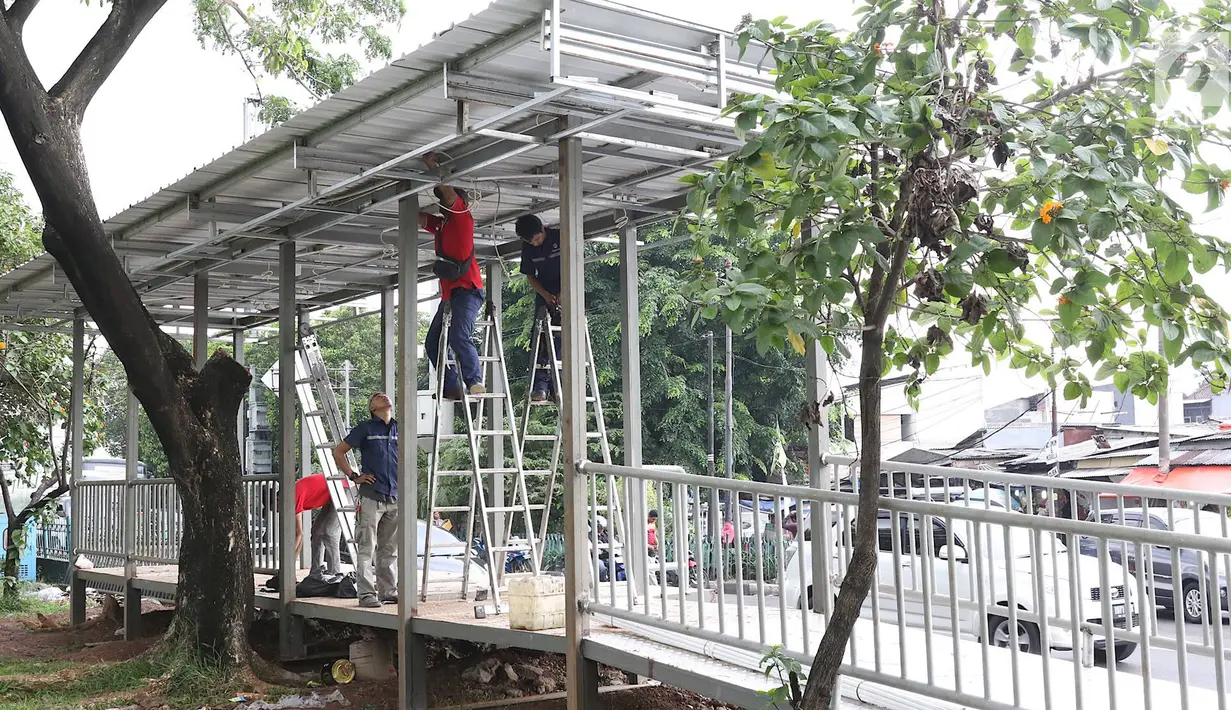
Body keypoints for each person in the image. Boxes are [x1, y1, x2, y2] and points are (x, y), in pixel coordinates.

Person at [420, 152, 485, 401]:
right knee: (433, 341)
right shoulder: (443, 224)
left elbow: (449, 196)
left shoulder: (461, 218)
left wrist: (434, 168)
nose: (443, 203)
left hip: (468, 291)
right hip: (450, 294)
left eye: (446, 201)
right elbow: (418, 217)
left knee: (459, 335)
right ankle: (451, 385)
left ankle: (474, 381)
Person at [333, 392, 399, 608]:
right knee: (366, 547)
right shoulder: (366, 429)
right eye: (377, 397)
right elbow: (339, 452)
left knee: (389, 549)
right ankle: (366, 594)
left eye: (385, 396)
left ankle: (388, 591)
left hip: (395, 496)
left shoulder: (400, 428)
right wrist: (354, 476)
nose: (383, 397)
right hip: (372, 496)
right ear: (372, 408)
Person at [514, 214, 562, 402]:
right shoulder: (527, 248)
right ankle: (540, 386)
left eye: (537, 239)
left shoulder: (560, 237)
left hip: (568, 289)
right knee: (541, 338)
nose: (535, 244)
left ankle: (559, 385)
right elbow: (530, 276)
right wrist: (546, 296)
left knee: (562, 339)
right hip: (544, 294)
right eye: (531, 241)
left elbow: (575, 264)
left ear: (542, 229)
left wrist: (563, 293)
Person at [293, 472, 347, 581]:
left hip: (343, 489)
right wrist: (290, 565)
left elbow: (299, 533)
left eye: (276, 509)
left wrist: (288, 564)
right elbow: (300, 535)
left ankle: (335, 575)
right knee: (316, 531)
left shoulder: (292, 498)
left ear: (277, 500)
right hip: (330, 492)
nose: (279, 512)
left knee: (329, 532)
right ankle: (315, 573)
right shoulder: (290, 494)